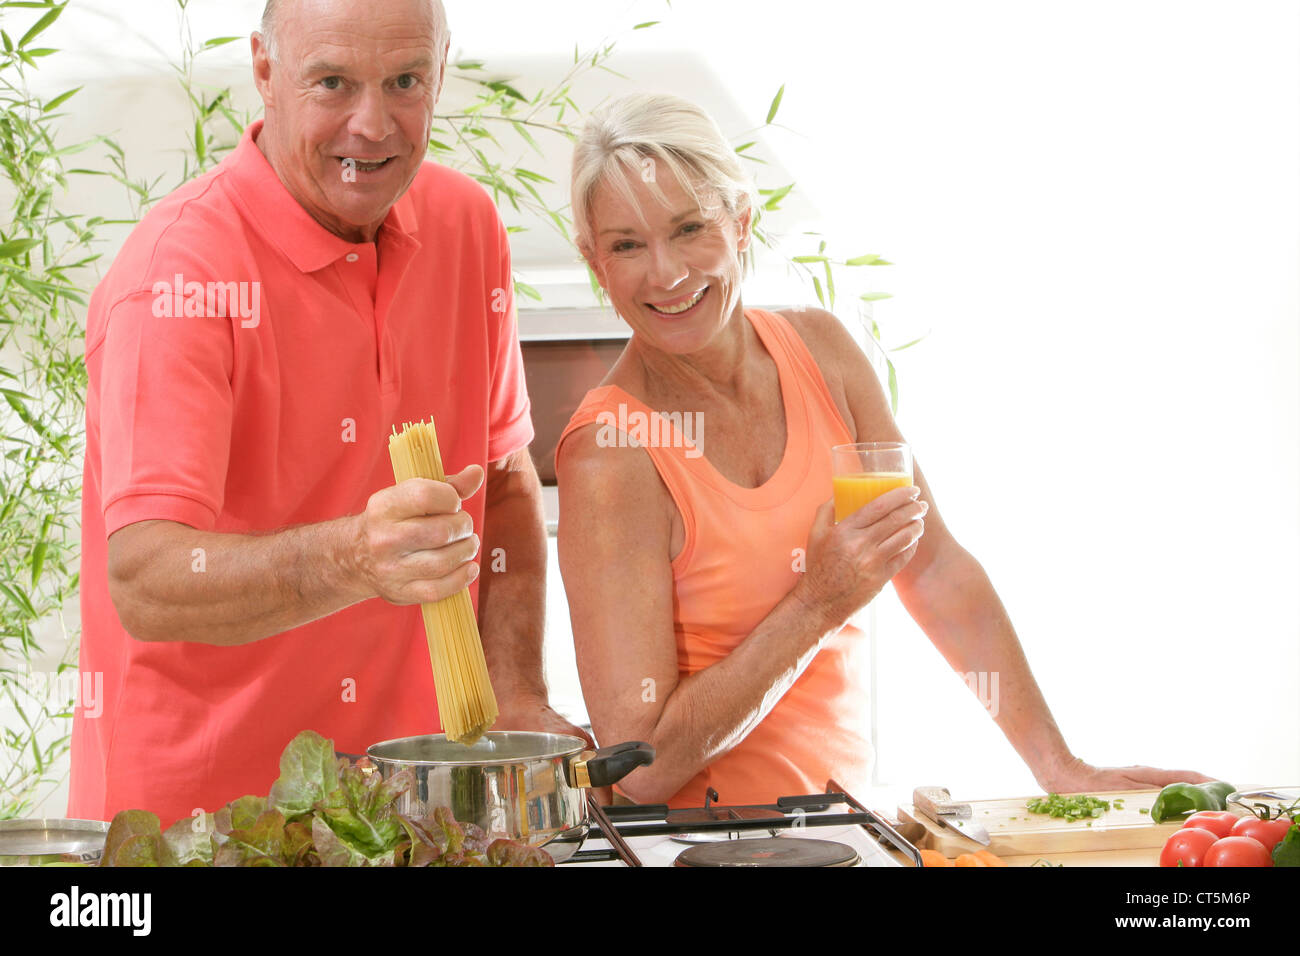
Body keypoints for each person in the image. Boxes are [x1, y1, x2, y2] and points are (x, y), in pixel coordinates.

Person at [555, 93, 1208, 807]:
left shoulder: (821, 352)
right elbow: (640, 768)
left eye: (689, 228)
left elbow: (933, 569)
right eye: (626, 245)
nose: (667, 274)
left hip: (849, 832)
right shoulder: (609, 455)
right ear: (594, 262)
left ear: (741, 223)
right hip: (689, 849)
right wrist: (816, 603)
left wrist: (1060, 769)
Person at [70, 0, 583, 828]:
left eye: (405, 81)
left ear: (442, 69)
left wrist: (519, 688)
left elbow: (505, 476)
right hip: (205, 825)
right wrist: (356, 557)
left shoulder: (467, 226)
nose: (371, 125)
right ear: (266, 72)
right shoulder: (178, 273)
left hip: (402, 811)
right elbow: (147, 580)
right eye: (333, 82)